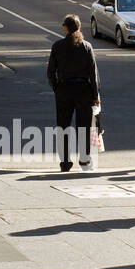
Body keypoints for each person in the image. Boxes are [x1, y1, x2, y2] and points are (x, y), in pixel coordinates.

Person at [47, 14, 100, 173]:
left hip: (64, 88)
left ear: (66, 28)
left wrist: (56, 87)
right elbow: (93, 73)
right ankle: (84, 159)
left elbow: (50, 72)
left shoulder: (57, 46)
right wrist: (95, 95)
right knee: (83, 125)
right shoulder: (86, 46)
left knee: (63, 126)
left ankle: (64, 161)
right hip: (83, 89)